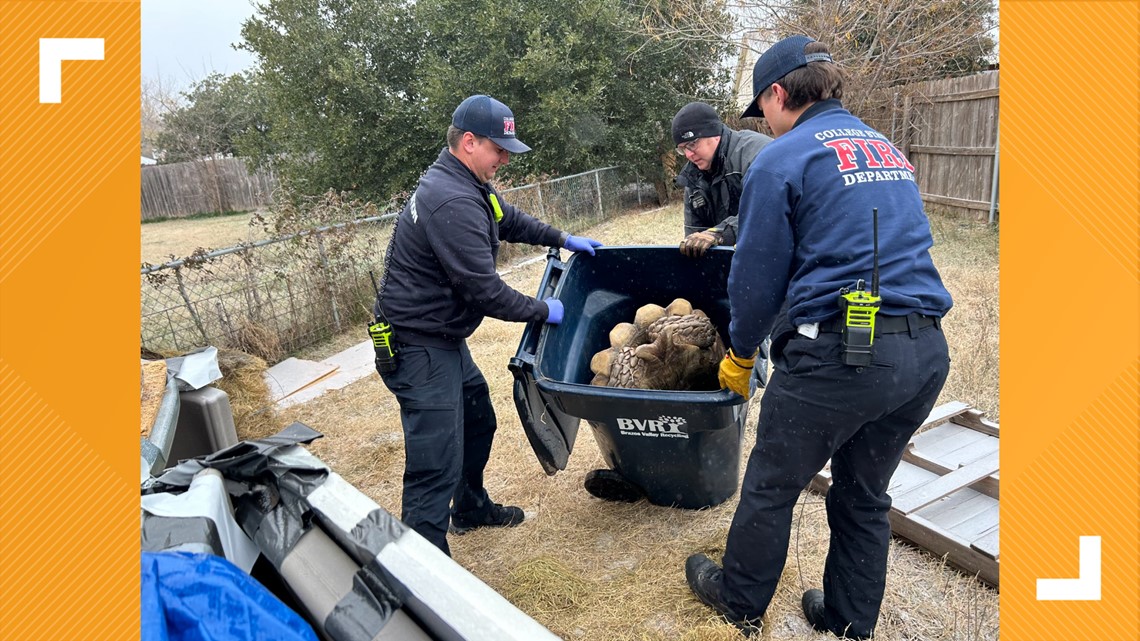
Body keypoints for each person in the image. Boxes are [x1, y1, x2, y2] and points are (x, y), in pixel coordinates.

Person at [683, 36, 953, 639]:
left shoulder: (783, 159)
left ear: (778, 93)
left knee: (772, 483)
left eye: (764, 109)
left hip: (842, 355)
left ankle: (740, 601)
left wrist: (741, 352)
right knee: (863, 494)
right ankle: (849, 620)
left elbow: (754, 281)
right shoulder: (886, 148)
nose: (766, 123)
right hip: (925, 354)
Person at [374, 94, 603, 556]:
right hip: (415, 344)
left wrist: (561, 238)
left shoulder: (468, 184)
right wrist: (545, 311)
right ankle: (424, 567)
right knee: (435, 460)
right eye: (498, 150)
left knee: (478, 419)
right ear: (469, 142)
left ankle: (471, 508)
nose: (503, 160)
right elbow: (484, 291)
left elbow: (509, 219)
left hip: (441, 338)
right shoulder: (450, 200)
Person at [672, 101, 771, 258]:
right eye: (682, 149)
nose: (689, 155)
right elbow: (693, 238)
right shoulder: (692, 179)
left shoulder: (756, 154)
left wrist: (719, 234)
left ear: (714, 134)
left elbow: (765, 213)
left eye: (692, 144)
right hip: (729, 265)